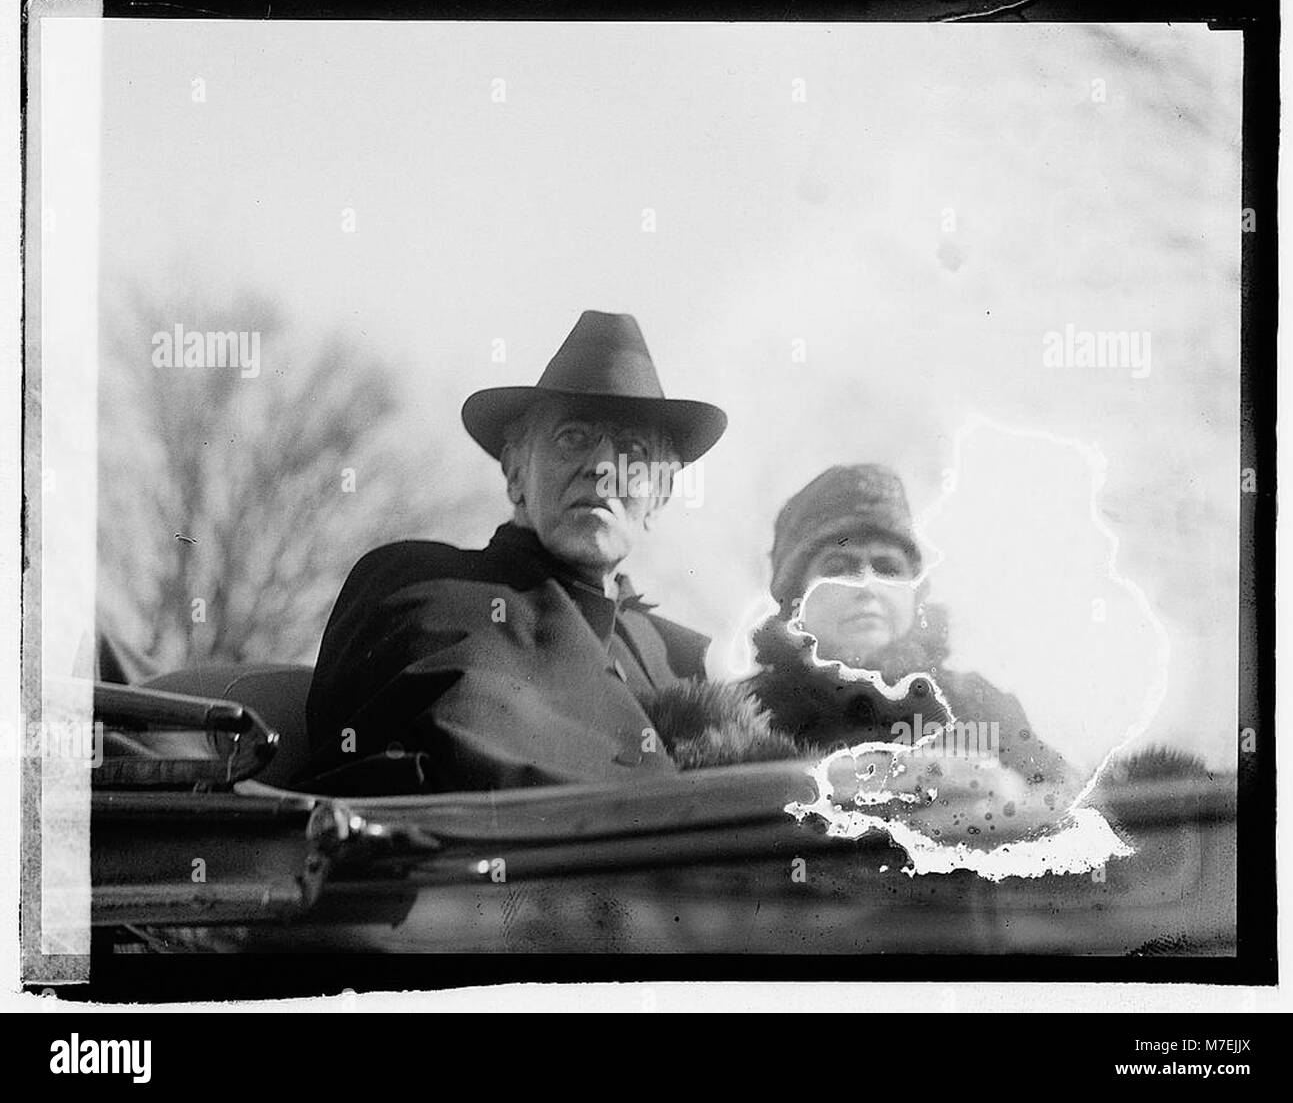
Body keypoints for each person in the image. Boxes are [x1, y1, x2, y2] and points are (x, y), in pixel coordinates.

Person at [300, 310, 729, 794]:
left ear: (660, 495)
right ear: (515, 472)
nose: (603, 468)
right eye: (574, 438)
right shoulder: (428, 588)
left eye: (632, 450)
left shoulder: (684, 663)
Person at [747, 464, 1083, 805]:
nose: (867, 585)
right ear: (794, 599)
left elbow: (1071, 807)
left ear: (914, 594)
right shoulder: (743, 712)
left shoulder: (978, 705)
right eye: (838, 567)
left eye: (887, 567)